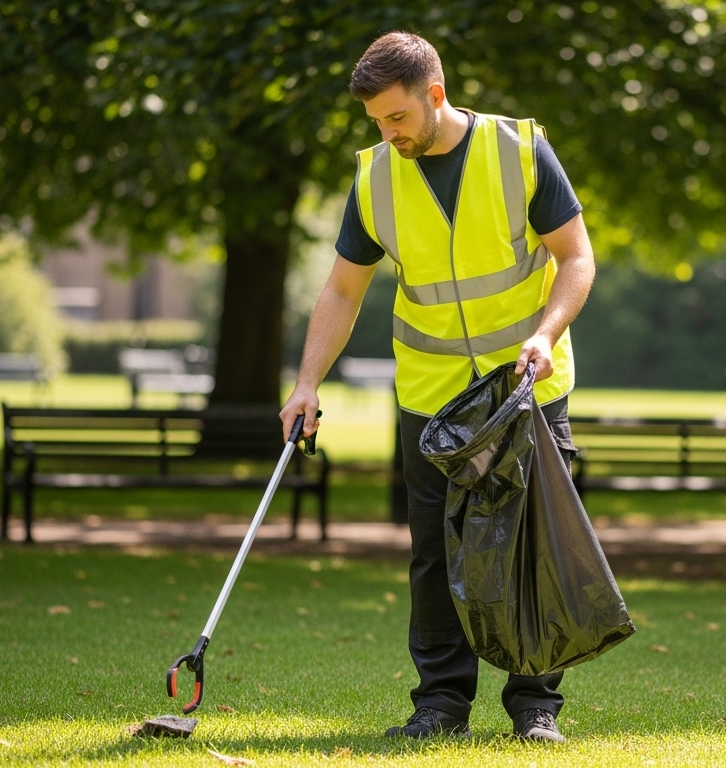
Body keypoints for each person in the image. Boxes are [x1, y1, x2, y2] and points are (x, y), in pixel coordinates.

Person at [279, 32, 595, 741]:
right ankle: (441, 706)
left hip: (524, 386)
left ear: (436, 95)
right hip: (431, 393)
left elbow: (576, 258)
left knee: (532, 548)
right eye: (376, 122)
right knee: (433, 553)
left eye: (397, 117)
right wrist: (305, 383)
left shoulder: (520, 151)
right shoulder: (374, 178)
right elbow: (341, 290)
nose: (388, 134)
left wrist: (545, 334)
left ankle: (535, 707)